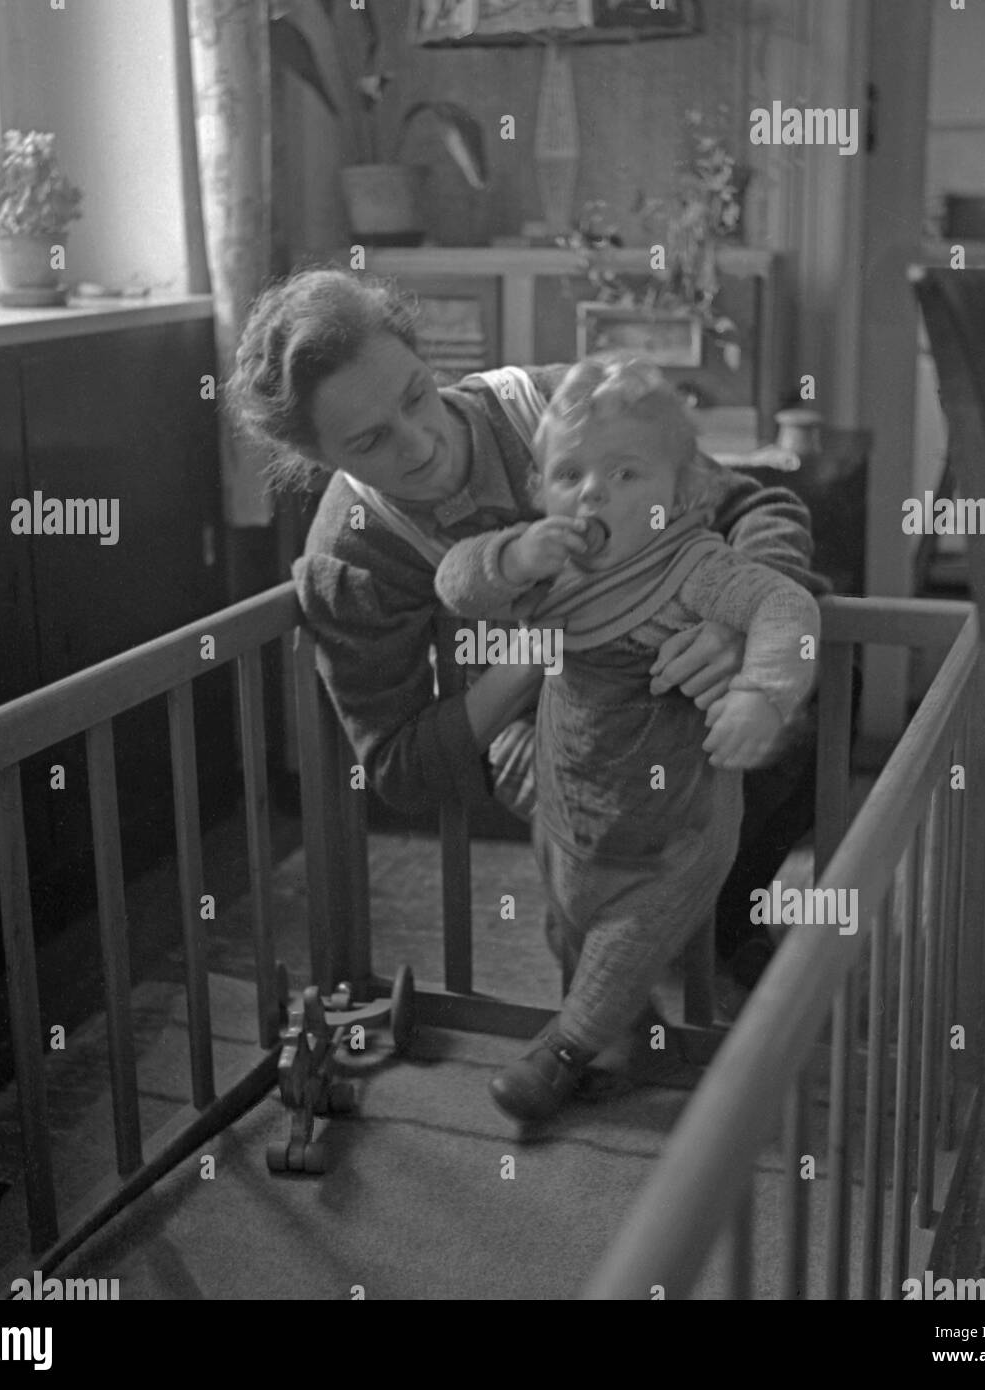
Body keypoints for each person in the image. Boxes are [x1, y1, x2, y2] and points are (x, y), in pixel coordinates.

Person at [225, 266, 827, 1012]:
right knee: (617, 789)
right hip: (538, 724)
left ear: (426, 359)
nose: (420, 446)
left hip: (672, 658)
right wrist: (535, 657)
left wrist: (737, 622)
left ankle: (720, 915)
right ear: (322, 461)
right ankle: (615, 971)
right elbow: (399, 764)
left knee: (819, 690)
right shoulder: (349, 556)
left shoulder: (555, 407)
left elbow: (756, 505)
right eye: (371, 440)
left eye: (417, 395)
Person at [433, 354, 821, 1122]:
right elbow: (457, 585)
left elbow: (787, 611)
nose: (592, 494)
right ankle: (635, 1035)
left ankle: (562, 1051)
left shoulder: (693, 568)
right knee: (567, 922)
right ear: (542, 488)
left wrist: (760, 696)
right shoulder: (552, 565)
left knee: (623, 942)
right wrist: (509, 555)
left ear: (681, 495)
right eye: (569, 474)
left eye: (626, 475)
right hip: (572, 803)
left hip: (676, 826)